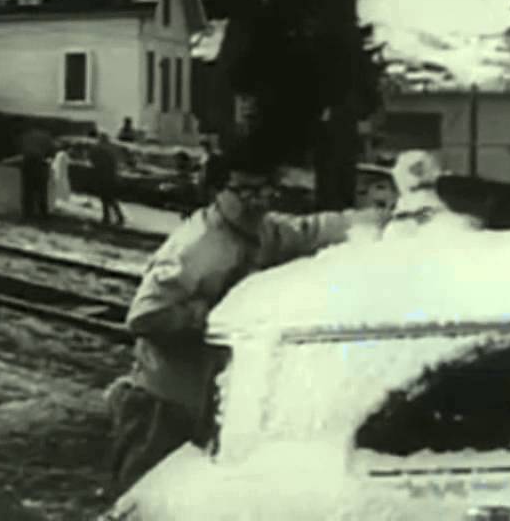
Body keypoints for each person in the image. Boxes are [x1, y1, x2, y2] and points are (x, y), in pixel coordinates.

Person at [105, 138, 389, 496]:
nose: (256, 201)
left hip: (210, 398)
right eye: (244, 191)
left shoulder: (260, 231)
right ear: (217, 192)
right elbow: (144, 317)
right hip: (164, 404)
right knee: (144, 500)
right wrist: (214, 315)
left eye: (265, 190)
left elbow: (308, 232)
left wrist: (376, 220)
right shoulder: (197, 247)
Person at [90, 134, 126, 226]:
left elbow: (96, 163)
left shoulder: (103, 153)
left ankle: (112, 217)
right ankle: (112, 217)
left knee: (107, 199)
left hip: (105, 178)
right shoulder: (109, 152)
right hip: (109, 178)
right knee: (108, 199)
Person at [18, 126, 54, 221]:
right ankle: (43, 213)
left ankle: (27, 213)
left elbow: (21, 149)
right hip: (40, 164)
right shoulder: (46, 137)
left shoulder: (25, 136)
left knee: (27, 190)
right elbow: (51, 152)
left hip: (28, 163)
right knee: (42, 190)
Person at [50, 147, 73, 211]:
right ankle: (62, 198)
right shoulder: (64, 154)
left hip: (58, 171)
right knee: (63, 184)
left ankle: (59, 197)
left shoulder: (59, 154)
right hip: (62, 172)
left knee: (60, 184)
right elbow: (68, 162)